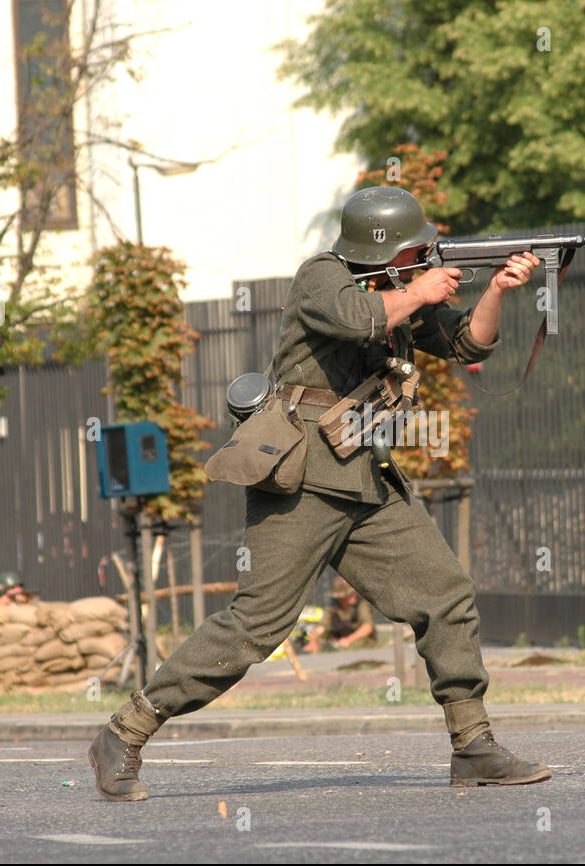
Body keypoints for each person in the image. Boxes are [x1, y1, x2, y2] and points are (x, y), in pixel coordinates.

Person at [89, 185, 552, 799]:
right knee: (258, 623)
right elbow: (360, 320)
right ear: (383, 250)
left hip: (363, 471)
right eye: (416, 250)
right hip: (301, 474)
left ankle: (473, 746)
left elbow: (469, 345)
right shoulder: (322, 278)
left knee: (444, 593)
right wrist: (419, 288)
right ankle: (126, 730)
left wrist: (496, 289)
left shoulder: (404, 289)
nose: (425, 257)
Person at [303, 578, 376, 652]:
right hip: (339, 641)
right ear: (340, 597)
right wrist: (313, 641)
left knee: (358, 643)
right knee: (320, 641)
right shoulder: (333, 608)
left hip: (359, 641)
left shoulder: (362, 604)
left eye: (353, 593)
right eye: (349, 595)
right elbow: (321, 628)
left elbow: (368, 626)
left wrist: (349, 640)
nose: (353, 596)